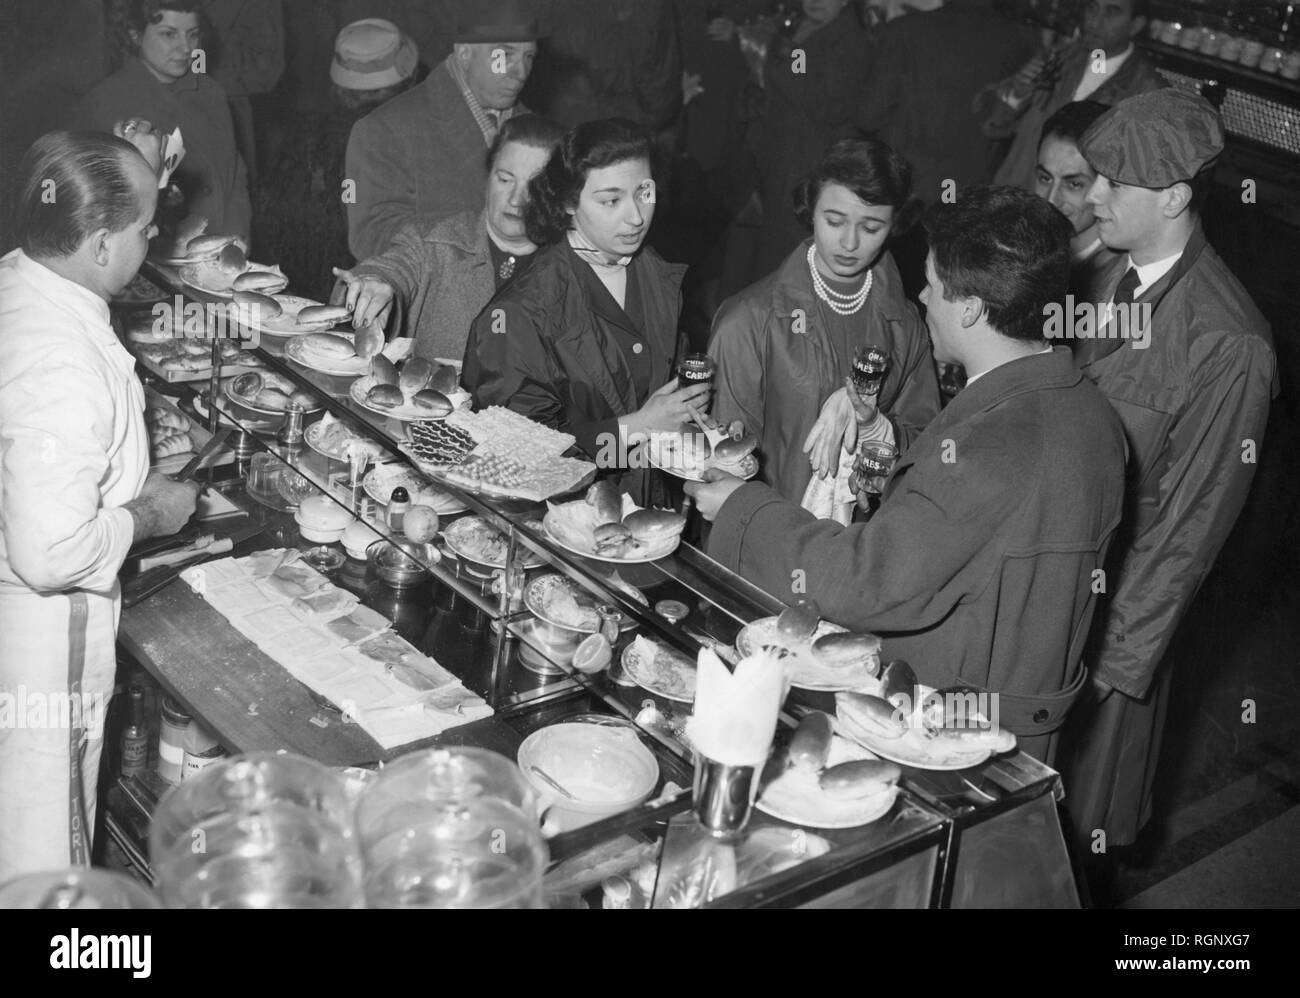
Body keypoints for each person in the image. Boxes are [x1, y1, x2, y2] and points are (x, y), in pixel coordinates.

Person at [686, 186, 1127, 763]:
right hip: (1011, 706)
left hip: (953, 727)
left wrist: (741, 507)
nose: (921, 296)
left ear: (970, 308)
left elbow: (870, 581)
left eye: (934, 286)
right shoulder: (1089, 411)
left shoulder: (994, 444)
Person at [1058, 90, 1278, 862]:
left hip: (1111, 630)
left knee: (1069, 840)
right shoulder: (1101, 278)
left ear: (1177, 196)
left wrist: (1110, 668)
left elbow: (1190, 530)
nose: (1093, 197)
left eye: (1115, 184)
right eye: (1094, 178)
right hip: (1043, 595)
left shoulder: (1230, 344)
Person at [0, 132, 200, 879]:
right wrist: (148, 512)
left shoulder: (24, 278)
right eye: (149, 227)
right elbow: (50, 553)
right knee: (49, 846)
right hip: (44, 635)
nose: (157, 236)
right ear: (101, 241)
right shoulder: (62, 359)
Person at [462, 118, 709, 508]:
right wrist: (635, 429)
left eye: (644, 192)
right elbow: (521, 465)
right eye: (611, 200)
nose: (636, 217)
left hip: (646, 516)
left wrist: (701, 428)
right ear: (567, 203)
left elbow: (662, 399)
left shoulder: (656, 276)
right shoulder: (520, 315)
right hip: (564, 530)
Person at [708, 137, 939, 514]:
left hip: (865, 545)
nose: (849, 242)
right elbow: (725, 462)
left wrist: (876, 429)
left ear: (895, 224)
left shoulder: (906, 323)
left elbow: (926, 442)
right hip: (768, 541)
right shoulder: (748, 320)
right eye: (834, 221)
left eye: (871, 227)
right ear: (810, 208)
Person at [334, 113, 565, 364]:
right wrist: (374, 282)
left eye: (534, 186)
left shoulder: (571, 267)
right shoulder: (431, 241)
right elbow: (395, 266)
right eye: (505, 179)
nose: (516, 200)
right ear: (487, 177)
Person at [345, 0, 542, 260]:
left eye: (528, 57)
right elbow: (371, 236)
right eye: (503, 56)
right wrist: (488, 236)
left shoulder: (542, 136)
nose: (521, 72)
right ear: (464, 53)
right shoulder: (384, 130)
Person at [255, 18, 419, 301]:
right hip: (357, 298)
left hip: (285, 293)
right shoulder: (400, 146)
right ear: (408, 82)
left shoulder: (297, 136)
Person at [723, 0, 876, 294]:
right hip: (774, 158)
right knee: (753, 255)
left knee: (785, 259)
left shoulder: (852, 42)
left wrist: (787, 57)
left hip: (808, 165)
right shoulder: (797, 27)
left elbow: (829, 106)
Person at [76, 0, 252, 246]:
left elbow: (235, 176)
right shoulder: (104, 103)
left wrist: (237, 239)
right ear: (135, 34)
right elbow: (96, 207)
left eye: (193, 35)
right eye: (169, 34)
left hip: (219, 255)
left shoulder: (211, 93)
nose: (185, 48)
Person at [855, 0, 1039, 207]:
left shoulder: (905, 30)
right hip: (978, 189)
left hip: (910, 188)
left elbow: (868, 117)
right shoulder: (1023, 40)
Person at [980, 0, 1165, 193]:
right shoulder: (1057, 58)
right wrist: (1018, 93)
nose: (1095, 20)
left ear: (1136, 25)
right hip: (1018, 197)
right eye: (1093, 8)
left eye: (1112, 12)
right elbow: (993, 126)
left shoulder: (1148, 92)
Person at [1033, 100, 1123, 300]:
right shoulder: (1025, 245)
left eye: (1073, 184)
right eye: (1045, 178)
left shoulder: (1115, 281)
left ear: (1107, 185)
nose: (1051, 200)